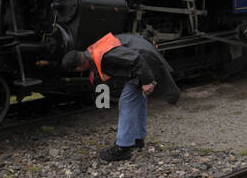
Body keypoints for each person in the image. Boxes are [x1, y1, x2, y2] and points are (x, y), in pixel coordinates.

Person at [62, 31, 181, 162]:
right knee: (137, 99)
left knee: (126, 102)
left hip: (144, 59)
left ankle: (123, 148)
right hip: (141, 54)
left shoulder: (103, 55)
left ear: (78, 68)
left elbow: (136, 59)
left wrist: (146, 81)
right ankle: (137, 138)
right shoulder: (92, 51)